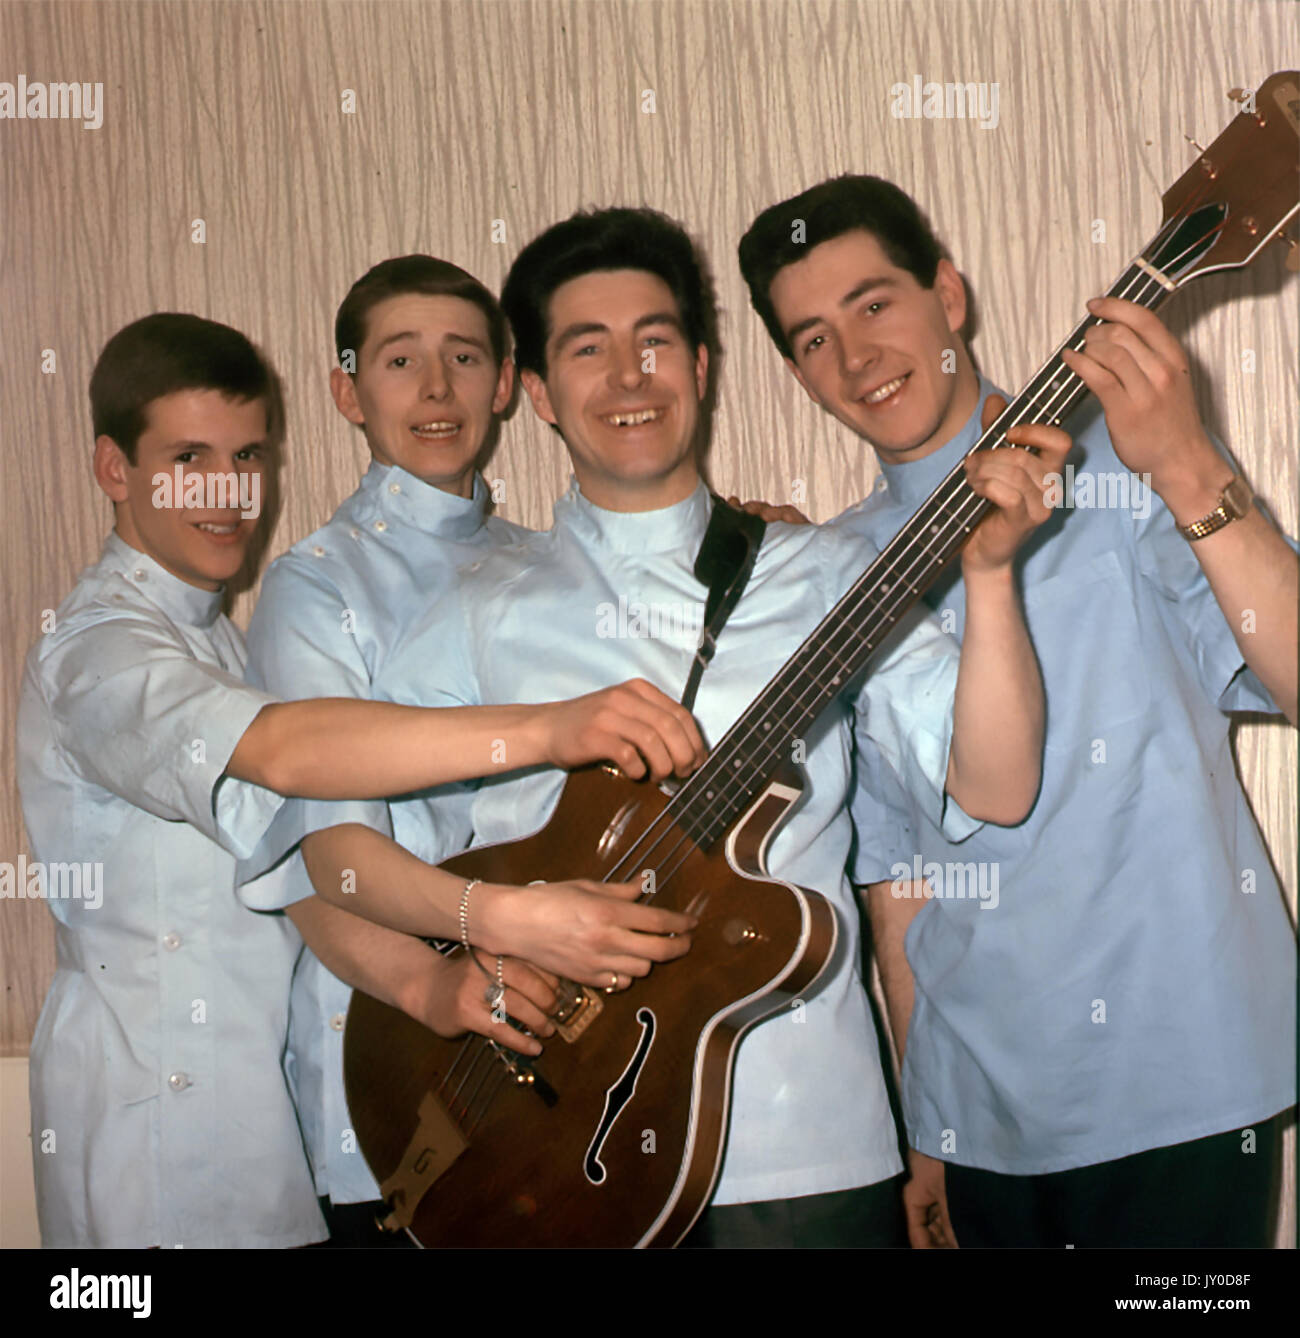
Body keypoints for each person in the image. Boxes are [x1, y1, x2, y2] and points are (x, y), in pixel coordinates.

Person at [360, 206, 1067, 1248]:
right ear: (541, 395)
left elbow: (996, 787)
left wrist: (990, 576)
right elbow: (344, 861)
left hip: (806, 1155)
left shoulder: (828, 574)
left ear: (700, 365)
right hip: (539, 1151)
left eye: (654, 341)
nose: (629, 375)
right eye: (586, 350)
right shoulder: (473, 606)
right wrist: (455, 960)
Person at [16, 311, 704, 1249]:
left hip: (257, 1133)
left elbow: (289, 866)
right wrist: (547, 729)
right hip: (155, 1135)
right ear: (113, 470)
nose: (228, 492)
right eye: (188, 458)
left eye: (248, 455)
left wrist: (427, 987)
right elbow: (290, 755)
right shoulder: (99, 652)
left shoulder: (208, 636)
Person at [738, 173, 1298, 1248]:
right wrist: (925, 1132)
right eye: (811, 338)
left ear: (948, 294)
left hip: (1187, 1076)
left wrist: (1185, 462)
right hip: (981, 1116)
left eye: (874, 303)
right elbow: (897, 887)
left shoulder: (1130, 484)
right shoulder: (832, 572)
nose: (855, 358)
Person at [232, 255, 703, 1245]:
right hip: (396, 1055)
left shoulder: (539, 565)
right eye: (401, 361)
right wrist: (463, 954)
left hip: (564, 1044)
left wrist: (743, 545)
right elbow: (327, 868)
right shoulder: (314, 589)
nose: (437, 390)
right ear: (346, 390)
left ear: (503, 384)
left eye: (463, 358)